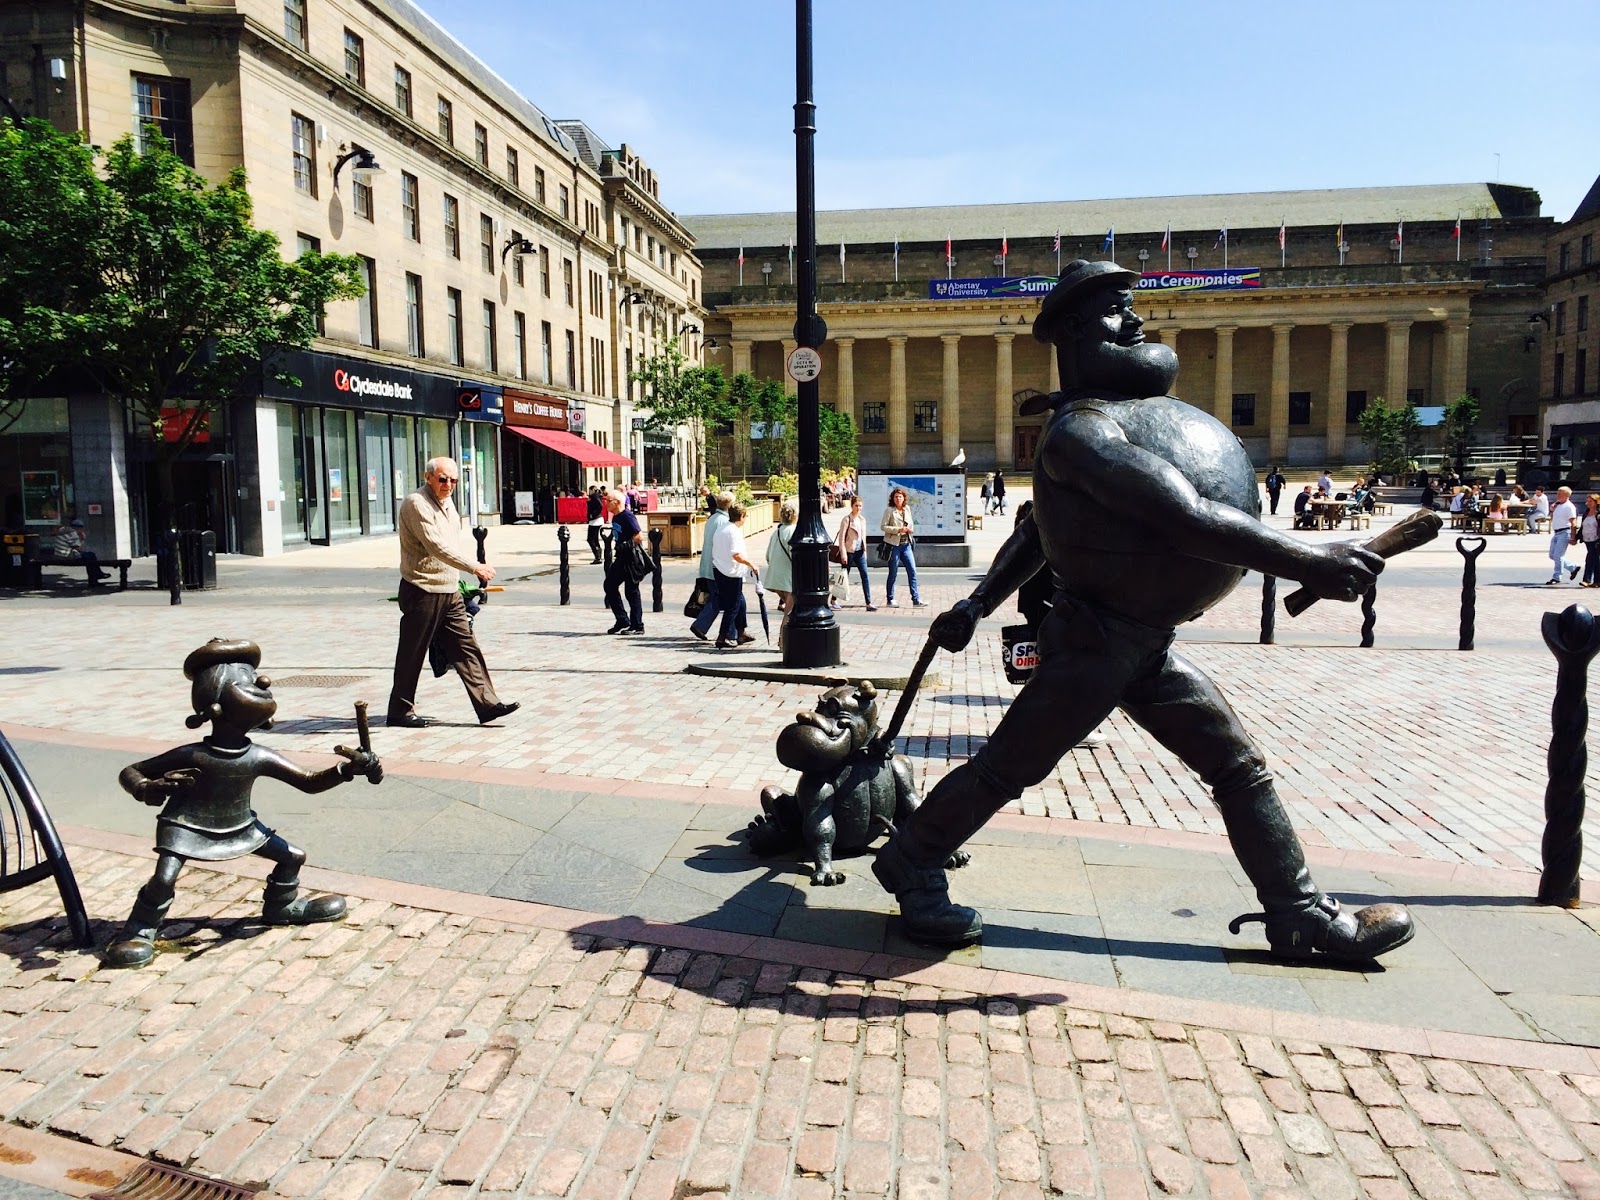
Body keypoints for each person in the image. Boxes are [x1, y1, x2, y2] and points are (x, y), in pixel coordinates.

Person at [869, 258, 1410, 964]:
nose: (1136, 320)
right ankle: (913, 857)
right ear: (1069, 330)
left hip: (1140, 642)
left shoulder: (1102, 422)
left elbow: (1036, 530)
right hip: (1096, 641)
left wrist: (976, 602)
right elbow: (1178, 514)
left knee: (1236, 766)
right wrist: (1310, 560)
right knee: (1008, 768)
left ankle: (1300, 915)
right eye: (1115, 309)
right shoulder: (1081, 433)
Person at [104, 638, 375, 968]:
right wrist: (146, 786)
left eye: (256, 676)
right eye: (244, 681)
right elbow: (130, 771)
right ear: (213, 703)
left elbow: (307, 782)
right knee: (163, 878)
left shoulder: (257, 756)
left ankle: (282, 907)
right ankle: (139, 929)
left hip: (240, 826)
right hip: (185, 826)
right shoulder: (194, 755)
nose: (262, 682)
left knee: (292, 857)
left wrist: (347, 769)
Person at [386, 457, 518, 728]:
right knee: (412, 653)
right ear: (428, 477)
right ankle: (399, 711)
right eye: (443, 479)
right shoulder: (416, 503)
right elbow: (435, 546)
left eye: (454, 480)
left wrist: (461, 577)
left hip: (449, 590)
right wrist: (474, 566)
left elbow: (451, 544)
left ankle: (488, 704)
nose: (449, 485)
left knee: (467, 648)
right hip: (421, 588)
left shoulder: (448, 503)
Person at [711, 503, 758, 649]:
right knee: (733, 605)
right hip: (731, 572)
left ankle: (741, 631)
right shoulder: (734, 532)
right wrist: (752, 564)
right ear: (742, 516)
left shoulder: (721, 528)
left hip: (719, 569)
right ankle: (722, 636)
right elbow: (736, 555)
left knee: (740, 601)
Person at [690, 493, 734, 640]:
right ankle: (702, 625)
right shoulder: (724, 521)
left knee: (726, 599)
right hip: (718, 567)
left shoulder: (712, 519)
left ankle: (736, 632)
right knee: (722, 599)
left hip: (709, 565)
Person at [603, 488, 645, 633]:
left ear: (618, 502)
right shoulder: (616, 517)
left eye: (609, 501)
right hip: (621, 558)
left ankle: (637, 625)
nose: (606, 503)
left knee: (631, 591)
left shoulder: (628, 516)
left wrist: (626, 544)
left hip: (631, 559)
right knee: (609, 585)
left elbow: (639, 536)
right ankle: (622, 619)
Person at [880, 486, 926, 608]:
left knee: (912, 571)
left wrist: (910, 530)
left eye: (900, 497)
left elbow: (911, 524)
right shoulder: (889, 510)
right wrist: (898, 529)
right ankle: (890, 599)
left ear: (904, 498)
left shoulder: (907, 509)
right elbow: (883, 527)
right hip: (894, 545)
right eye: (896, 497)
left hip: (906, 545)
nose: (898, 499)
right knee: (893, 572)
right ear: (892, 498)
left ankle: (915, 599)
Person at [832, 495, 875, 610]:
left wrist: (865, 551)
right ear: (852, 506)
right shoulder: (847, 519)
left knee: (865, 575)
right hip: (849, 551)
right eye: (856, 505)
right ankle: (833, 599)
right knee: (844, 576)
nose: (858, 508)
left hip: (860, 551)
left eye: (860, 506)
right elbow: (841, 538)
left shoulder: (862, 520)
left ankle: (868, 602)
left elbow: (863, 537)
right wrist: (843, 553)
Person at [766, 502, 798, 648]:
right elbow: (796, 555)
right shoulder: (793, 531)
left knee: (790, 609)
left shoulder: (776, 531)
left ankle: (790, 639)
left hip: (775, 578)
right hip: (788, 579)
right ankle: (782, 642)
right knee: (789, 612)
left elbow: (768, 556)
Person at [50, 517, 109, 583]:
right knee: (91, 556)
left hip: (58, 555)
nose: (82, 530)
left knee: (89, 557)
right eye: (82, 529)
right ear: (78, 528)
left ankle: (96, 577)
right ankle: (95, 579)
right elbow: (77, 547)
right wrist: (82, 538)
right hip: (67, 556)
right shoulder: (72, 533)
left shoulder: (63, 530)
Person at [1548, 485, 1582, 585]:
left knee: (1558, 555)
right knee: (1552, 555)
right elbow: (1552, 516)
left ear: (1567, 495)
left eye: (1560, 494)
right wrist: (1552, 509)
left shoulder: (1569, 507)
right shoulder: (1558, 505)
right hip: (1557, 532)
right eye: (1557, 493)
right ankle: (1573, 567)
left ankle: (1557, 576)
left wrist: (1573, 536)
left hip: (1564, 532)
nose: (1558, 495)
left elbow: (1573, 522)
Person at [1582, 494, 1600, 587]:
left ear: (1596, 503)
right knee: (1596, 560)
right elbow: (1582, 526)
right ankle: (1597, 581)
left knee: (1590, 559)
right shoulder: (1586, 513)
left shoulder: (1598, 515)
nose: (1588, 503)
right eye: (1587, 501)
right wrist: (1577, 537)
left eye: (1590, 501)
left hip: (1596, 540)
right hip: (1587, 540)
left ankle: (1586, 580)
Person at [585, 486, 605, 564]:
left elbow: (600, 505)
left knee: (591, 539)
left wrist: (593, 514)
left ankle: (598, 556)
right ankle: (598, 556)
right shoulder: (596, 496)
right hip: (596, 520)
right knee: (594, 539)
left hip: (595, 520)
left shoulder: (595, 495)